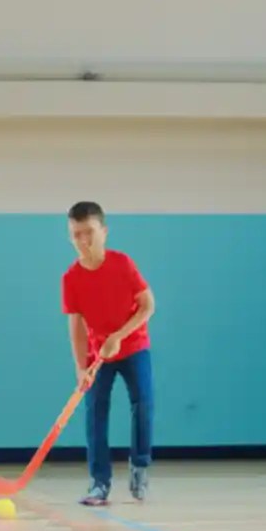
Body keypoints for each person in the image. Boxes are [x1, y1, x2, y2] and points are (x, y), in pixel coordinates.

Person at [60, 201, 156, 507]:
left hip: (133, 345)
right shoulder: (71, 278)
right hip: (97, 354)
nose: (83, 241)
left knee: (143, 402)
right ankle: (99, 483)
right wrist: (80, 367)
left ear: (104, 231)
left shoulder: (123, 264)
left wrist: (119, 336)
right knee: (95, 414)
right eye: (76, 234)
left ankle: (139, 466)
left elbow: (148, 306)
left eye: (89, 232)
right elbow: (75, 326)